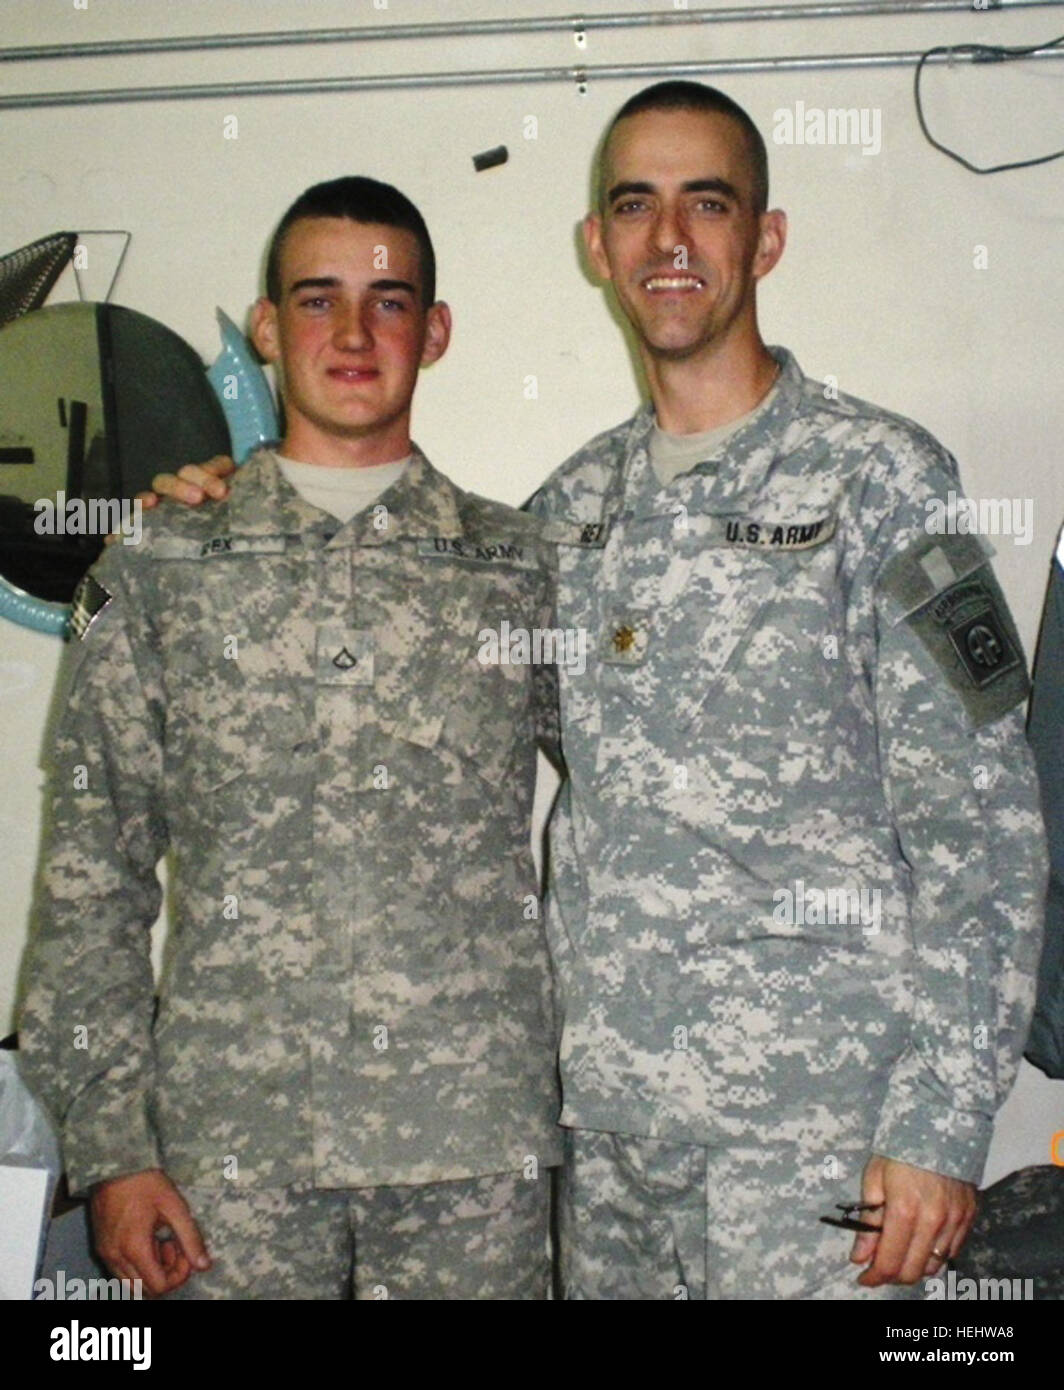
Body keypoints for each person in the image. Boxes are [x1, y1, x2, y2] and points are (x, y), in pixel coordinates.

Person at [145, 83, 1047, 1301]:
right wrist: (230, 499)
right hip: (611, 1150)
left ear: (763, 239)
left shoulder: (880, 480)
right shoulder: (562, 522)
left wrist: (939, 1122)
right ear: (597, 245)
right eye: (635, 205)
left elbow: (982, 826)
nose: (668, 240)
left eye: (705, 203)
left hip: (824, 1152)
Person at [18, 176, 563, 1300]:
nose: (353, 333)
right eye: (316, 301)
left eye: (389, 301)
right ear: (266, 326)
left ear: (438, 330)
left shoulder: (518, 569)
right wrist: (115, 1148)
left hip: (470, 1159)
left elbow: (642, 811)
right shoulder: (162, 571)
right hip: (226, 1166)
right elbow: (90, 878)